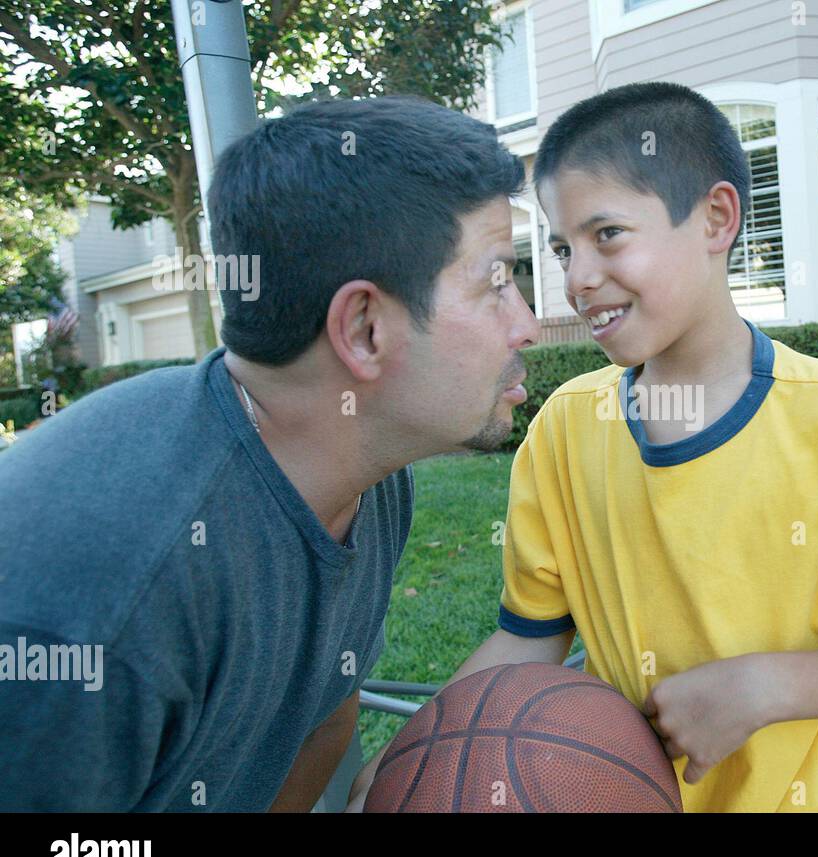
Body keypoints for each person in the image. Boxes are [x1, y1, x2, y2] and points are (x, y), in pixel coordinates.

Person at [352, 82, 818, 813]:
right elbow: (529, 638)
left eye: (607, 234)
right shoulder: (565, 429)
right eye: (561, 247)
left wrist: (764, 687)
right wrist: (413, 753)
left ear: (715, 218)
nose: (578, 277)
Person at [0, 96, 539, 811]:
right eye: (498, 282)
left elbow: (323, 716)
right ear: (366, 329)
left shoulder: (370, 478)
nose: (529, 325)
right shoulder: (101, 593)